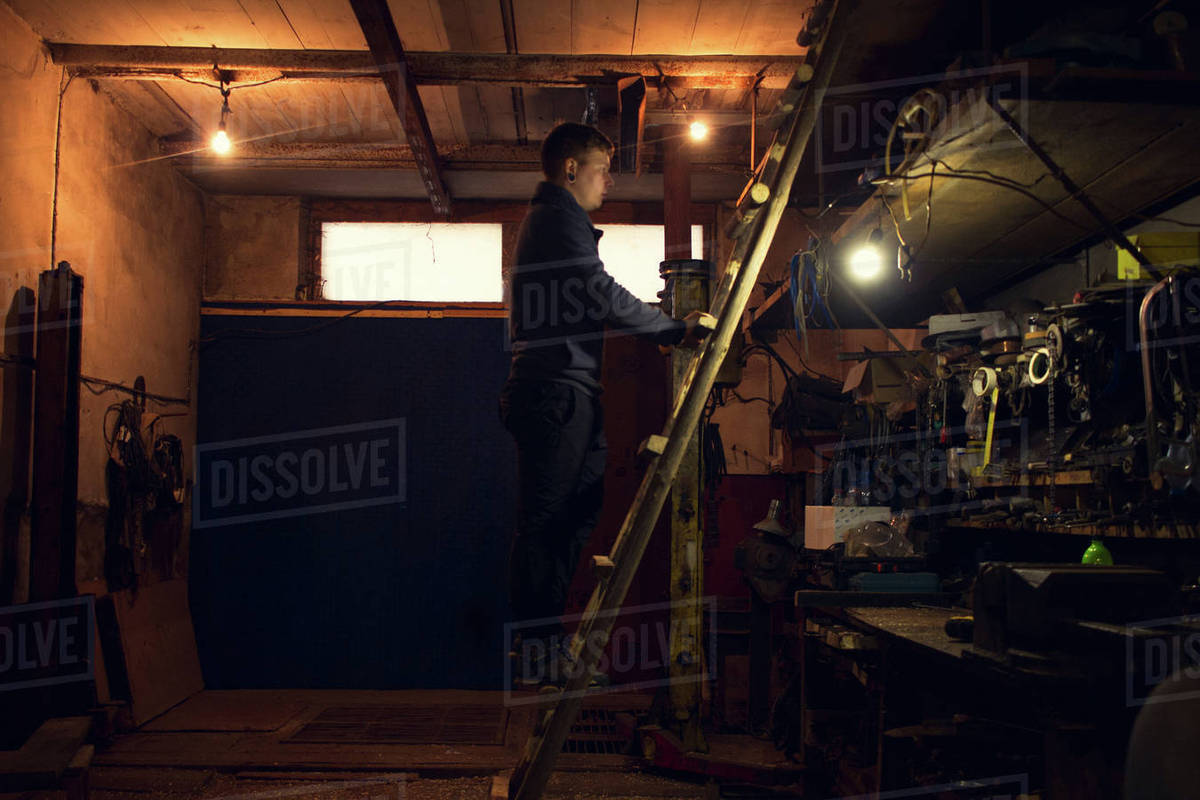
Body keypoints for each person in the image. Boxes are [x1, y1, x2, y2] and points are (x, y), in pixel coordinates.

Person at [499, 122, 709, 686]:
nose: (609, 181)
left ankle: (547, 646)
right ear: (572, 169)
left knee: (577, 512)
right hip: (554, 392)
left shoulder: (561, 223)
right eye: (602, 168)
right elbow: (599, 291)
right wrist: (671, 328)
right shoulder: (555, 218)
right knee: (545, 524)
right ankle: (537, 654)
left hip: (572, 392)